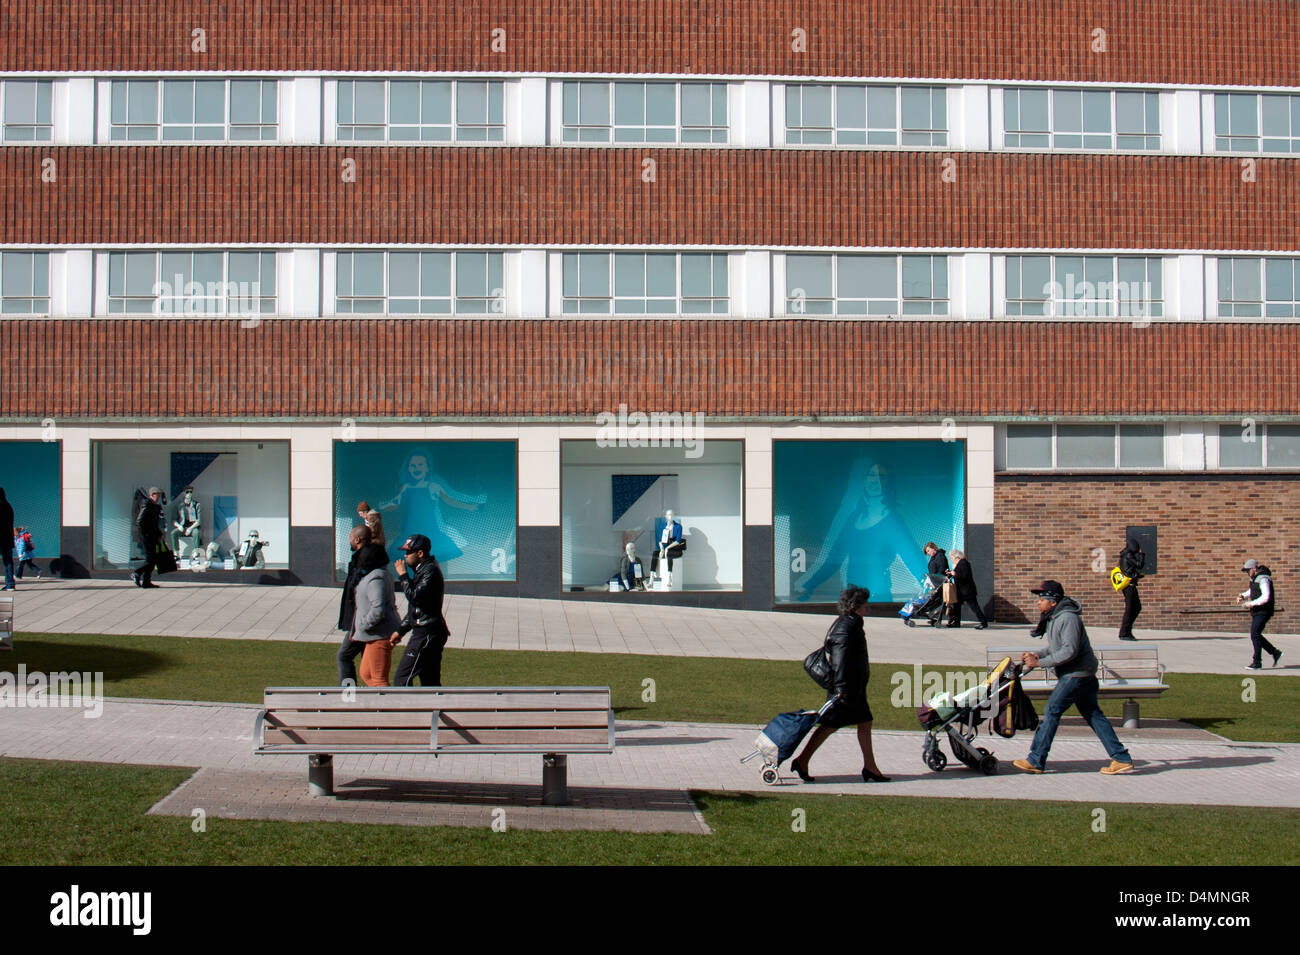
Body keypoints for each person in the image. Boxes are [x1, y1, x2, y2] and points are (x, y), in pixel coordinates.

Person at [1013, 580, 1135, 775]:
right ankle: (1121, 758)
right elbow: (1056, 649)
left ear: (1053, 601)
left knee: (1052, 710)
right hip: (1081, 675)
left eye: (1041, 599)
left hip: (1076, 675)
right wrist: (1037, 656)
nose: (1038, 603)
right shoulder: (1055, 617)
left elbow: (1069, 651)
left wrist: (1040, 663)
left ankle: (1036, 759)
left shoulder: (1068, 618)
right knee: (1094, 715)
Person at [790, 586, 890, 783]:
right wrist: (842, 690)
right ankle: (802, 760)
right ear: (855, 606)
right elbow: (841, 660)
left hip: (852, 688)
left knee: (862, 723)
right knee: (829, 725)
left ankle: (870, 767)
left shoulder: (851, 623)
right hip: (846, 690)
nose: (868, 607)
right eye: (865, 604)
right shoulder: (847, 627)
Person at [796, 461, 923, 602]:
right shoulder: (854, 517)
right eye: (871, 475)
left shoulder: (893, 521)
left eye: (882, 476)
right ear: (864, 480)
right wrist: (810, 585)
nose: (875, 480)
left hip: (878, 598)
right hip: (853, 597)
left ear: (889, 482)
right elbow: (834, 559)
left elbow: (913, 558)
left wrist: (934, 587)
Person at [389, 534, 452, 687]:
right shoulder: (422, 570)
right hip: (429, 631)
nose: (405, 556)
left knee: (402, 679)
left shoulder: (429, 571)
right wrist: (401, 630)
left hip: (427, 633)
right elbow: (417, 608)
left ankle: (407, 709)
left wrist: (403, 576)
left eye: (408, 552)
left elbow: (415, 597)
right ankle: (433, 708)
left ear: (420, 554)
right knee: (430, 682)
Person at [337, 524, 389, 684]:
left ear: (357, 539)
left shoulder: (364, 563)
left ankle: (348, 696)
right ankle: (364, 699)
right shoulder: (371, 560)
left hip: (362, 621)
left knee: (344, 657)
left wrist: (360, 624)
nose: (350, 541)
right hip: (362, 620)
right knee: (368, 669)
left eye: (351, 538)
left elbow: (362, 596)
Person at [350, 546, 403, 687]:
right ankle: (381, 704)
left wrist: (363, 625)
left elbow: (377, 609)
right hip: (374, 634)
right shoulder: (376, 575)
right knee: (366, 673)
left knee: (379, 679)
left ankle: (389, 706)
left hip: (380, 634)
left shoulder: (376, 578)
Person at [1237, 559, 1282, 670]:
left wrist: (1251, 603)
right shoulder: (1254, 578)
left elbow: (1266, 597)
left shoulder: (1264, 579)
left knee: (1255, 634)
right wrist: (1243, 596)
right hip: (1257, 610)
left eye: (1248, 570)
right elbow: (1252, 591)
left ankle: (1257, 662)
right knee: (1256, 635)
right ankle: (1274, 652)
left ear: (1254, 569)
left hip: (1264, 611)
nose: (1247, 573)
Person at [944, 549, 988, 629]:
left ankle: (983, 622)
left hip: (967, 591)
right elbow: (959, 575)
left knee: (974, 607)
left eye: (951, 558)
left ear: (955, 557)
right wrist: (951, 574)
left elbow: (964, 576)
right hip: (961, 591)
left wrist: (955, 574)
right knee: (956, 606)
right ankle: (956, 623)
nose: (951, 560)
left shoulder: (963, 563)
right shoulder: (960, 564)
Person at [133, 486, 165, 588]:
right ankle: (137, 573)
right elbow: (139, 521)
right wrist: (144, 535)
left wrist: (159, 534)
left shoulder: (156, 506)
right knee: (151, 559)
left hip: (153, 536)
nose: (158, 497)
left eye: (159, 495)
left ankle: (146, 581)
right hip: (147, 537)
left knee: (153, 559)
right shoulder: (147, 504)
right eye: (157, 495)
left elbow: (155, 523)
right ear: (151, 495)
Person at [915, 542, 950, 627]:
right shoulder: (934, 557)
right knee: (934, 600)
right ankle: (933, 617)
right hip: (935, 582)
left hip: (939, 582)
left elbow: (941, 569)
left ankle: (937, 618)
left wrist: (934, 577)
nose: (929, 553)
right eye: (927, 552)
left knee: (939, 601)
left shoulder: (940, 556)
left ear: (933, 548)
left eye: (929, 551)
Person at [1117, 538, 1144, 641]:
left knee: (1136, 607)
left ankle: (1127, 631)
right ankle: (1124, 633)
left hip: (1130, 584)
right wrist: (1142, 556)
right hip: (1129, 585)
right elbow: (1139, 565)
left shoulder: (1126, 554)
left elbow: (1131, 569)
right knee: (1131, 609)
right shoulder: (1128, 555)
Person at [649, 509, 686, 583]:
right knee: (655, 554)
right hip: (665, 546)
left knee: (669, 554)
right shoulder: (663, 526)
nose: (670, 516)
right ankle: (651, 577)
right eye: (669, 514)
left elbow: (678, 540)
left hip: (675, 548)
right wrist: (662, 549)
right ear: (666, 516)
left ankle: (669, 577)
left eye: (672, 514)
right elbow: (660, 539)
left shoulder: (678, 526)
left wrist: (667, 548)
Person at [0, 488, 14, 591]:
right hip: (7, 540)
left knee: (8, 562)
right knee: (8, 562)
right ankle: (10, 584)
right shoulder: (8, 507)